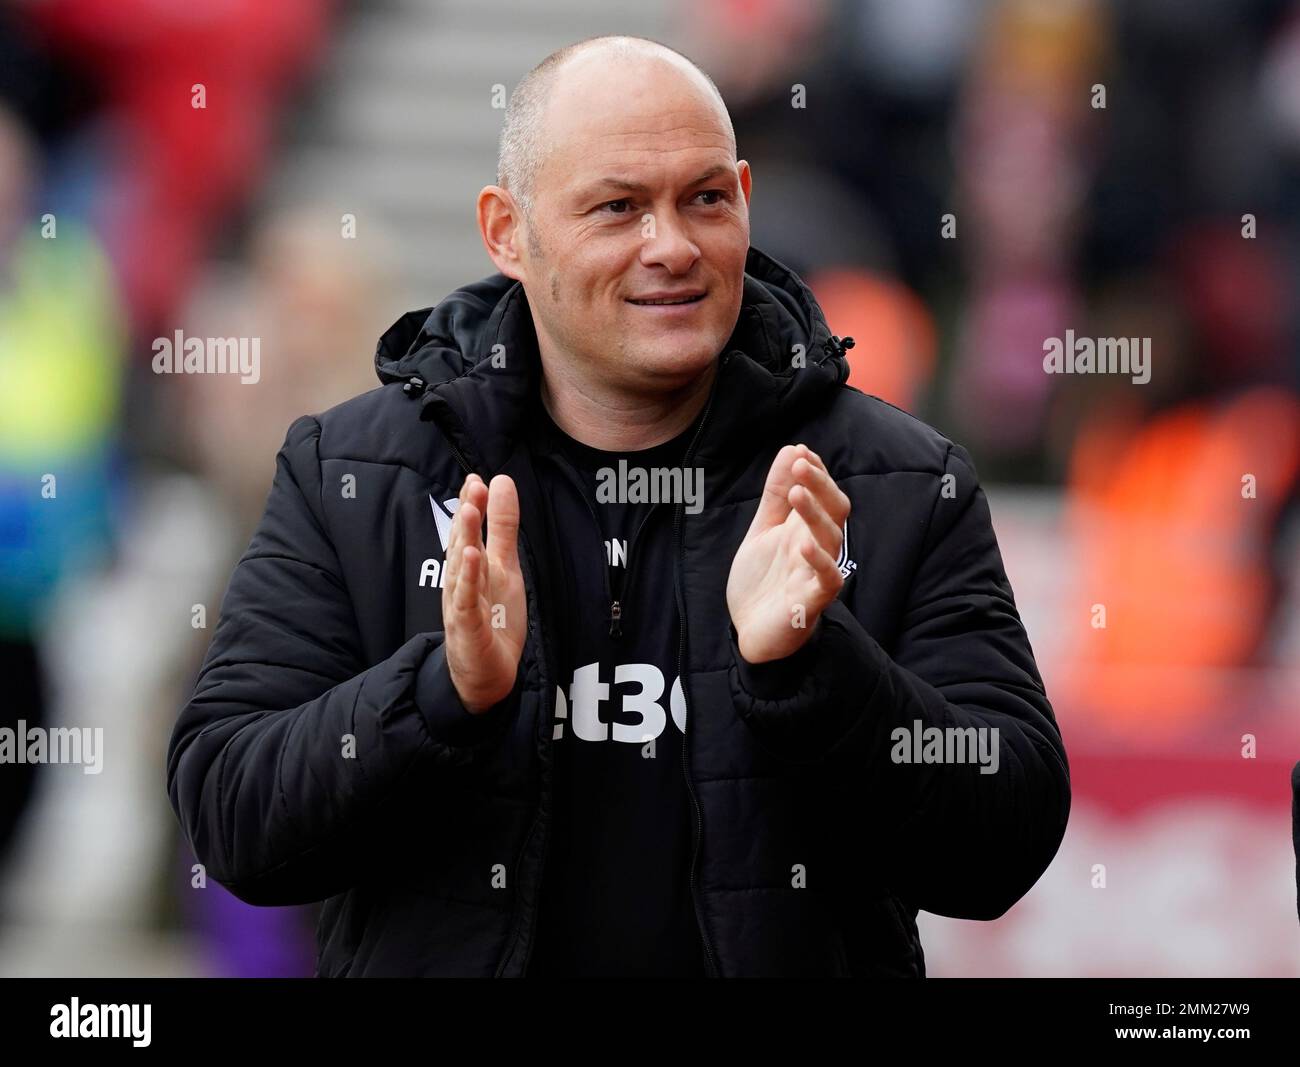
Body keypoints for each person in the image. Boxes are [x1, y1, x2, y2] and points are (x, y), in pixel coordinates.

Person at [165, 34, 1071, 978]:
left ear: (746, 200)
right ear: (507, 232)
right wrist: (441, 696)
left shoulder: (895, 481)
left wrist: (818, 671)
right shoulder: (353, 472)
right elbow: (232, 814)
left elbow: (1004, 842)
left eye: (705, 199)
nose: (672, 247)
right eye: (618, 208)